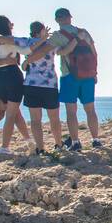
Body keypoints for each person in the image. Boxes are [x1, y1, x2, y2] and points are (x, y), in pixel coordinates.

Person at [0, 7, 52, 155]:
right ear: (8, 27)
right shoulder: (13, 41)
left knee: (1, 112)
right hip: (13, 75)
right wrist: (43, 39)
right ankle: (4, 147)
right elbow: (28, 50)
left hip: (0, 77)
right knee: (11, 114)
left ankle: (2, 147)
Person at [50, 7, 102, 151]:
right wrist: (94, 72)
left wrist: (61, 51)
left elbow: (58, 52)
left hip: (69, 75)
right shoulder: (83, 32)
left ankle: (75, 142)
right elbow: (94, 53)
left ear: (57, 20)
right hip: (88, 75)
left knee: (71, 111)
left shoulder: (57, 35)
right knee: (90, 110)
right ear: (70, 17)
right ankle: (96, 140)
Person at [22, 21, 76, 154]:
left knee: (35, 120)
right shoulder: (50, 43)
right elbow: (65, 51)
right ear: (41, 31)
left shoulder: (28, 44)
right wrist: (75, 40)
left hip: (31, 84)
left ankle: (40, 148)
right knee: (54, 118)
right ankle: (58, 144)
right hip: (49, 85)